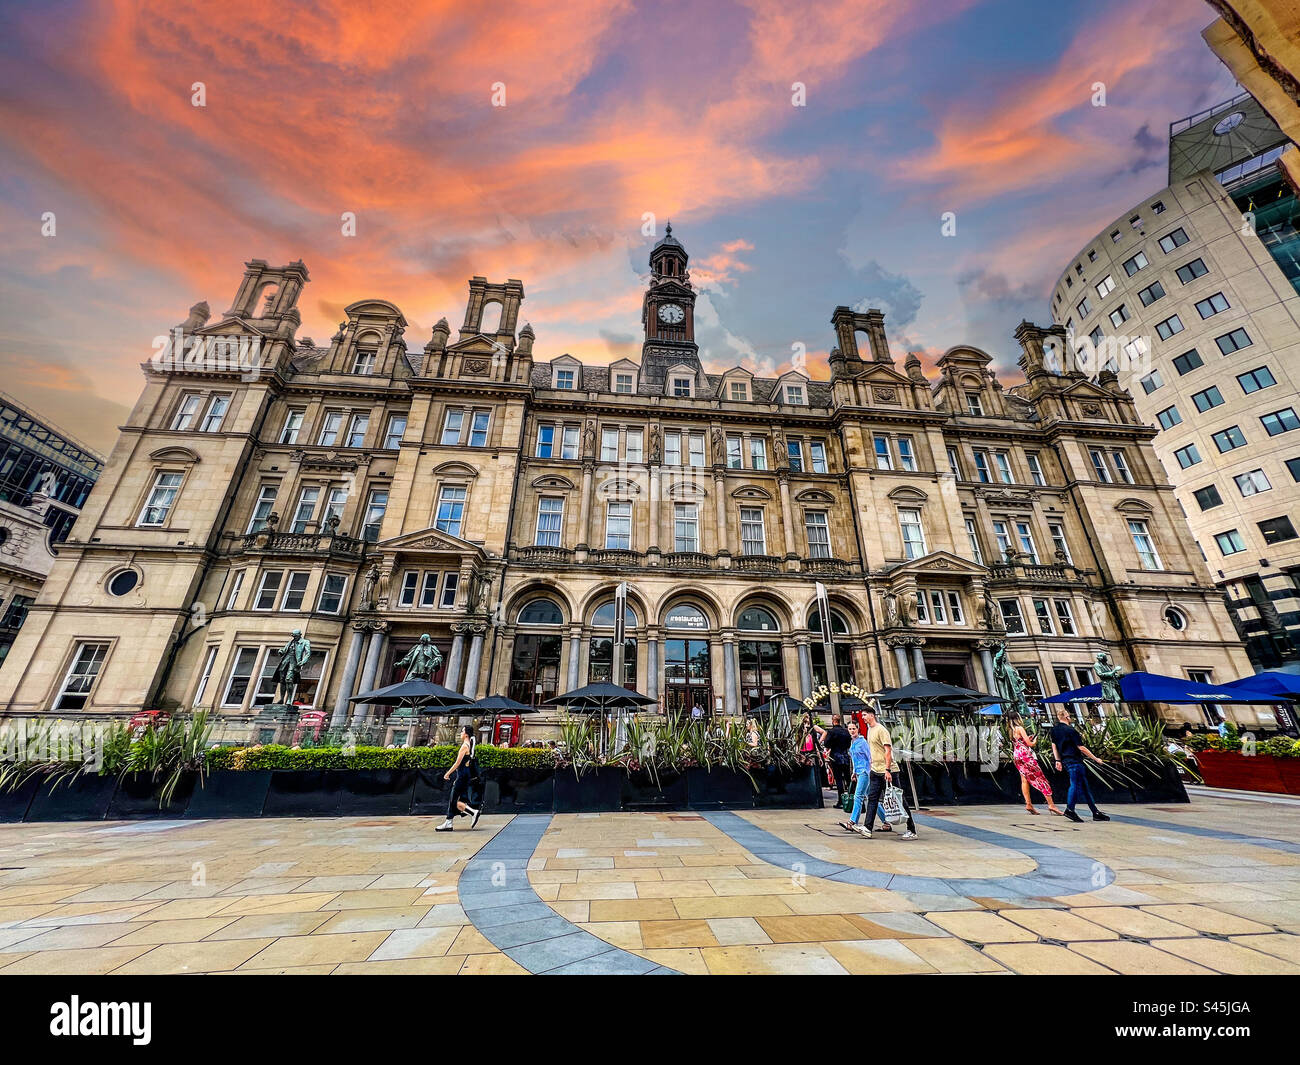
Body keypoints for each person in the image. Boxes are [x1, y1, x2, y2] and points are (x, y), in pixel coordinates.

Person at [860, 708, 917, 840]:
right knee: (872, 798)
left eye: (864, 715)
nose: (862, 717)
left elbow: (888, 750)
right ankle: (867, 827)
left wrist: (887, 770)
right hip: (875, 770)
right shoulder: (869, 729)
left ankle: (911, 829)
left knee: (899, 800)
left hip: (888, 770)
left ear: (871, 715)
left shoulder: (881, 730)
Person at [1049, 708, 1110, 823]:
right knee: (1075, 785)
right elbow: (1081, 747)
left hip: (1066, 761)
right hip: (1075, 760)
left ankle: (1095, 812)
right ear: (1067, 718)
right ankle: (1070, 809)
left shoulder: (1054, 730)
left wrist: (1058, 760)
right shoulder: (1071, 731)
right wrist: (1096, 759)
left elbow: (1054, 746)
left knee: (1084, 787)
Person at [837, 719, 891, 835]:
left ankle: (852, 822)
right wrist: (854, 772)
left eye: (854, 729)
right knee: (871, 798)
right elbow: (855, 759)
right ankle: (886, 822)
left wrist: (869, 771)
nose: (852, 731)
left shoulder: (863, 742)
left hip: (865, 772)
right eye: (850, 729)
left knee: (858, 796)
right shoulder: (853, 742)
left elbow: (870, 757)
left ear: (858, 729)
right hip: (859, 771)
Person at [1008, 712, 1062, 816]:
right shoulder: (1020, 728)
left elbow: (1020, 742)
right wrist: (1035, 741)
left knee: (1024, 780)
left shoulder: (1011, 730)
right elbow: (1030, 744)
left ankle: (1028, 804)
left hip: (1017, 755)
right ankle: (1051, 804)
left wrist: (1028, 739)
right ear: (1017, 718)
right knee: (1040, 778)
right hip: (1026, 756)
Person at [436, 724, 481, 831]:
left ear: (466, 734)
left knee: (453, 798)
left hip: (462, 776)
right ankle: (449, 822)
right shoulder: (469, 745)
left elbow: (457, 763)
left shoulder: (465, 746)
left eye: (462, 731)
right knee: (456, 801)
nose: (460, 733)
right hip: (464, 775)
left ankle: (472, 813)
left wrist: (447, 773)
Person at [819, 714, 853, 806]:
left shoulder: (831, 732)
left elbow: (826, 744)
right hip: (845, 756)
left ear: (833, 721)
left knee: (838, 779)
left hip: (835, 757)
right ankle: (851, 798)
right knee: (848, 778)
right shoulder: (846, 732)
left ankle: (841, 800)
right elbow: (848, 744)